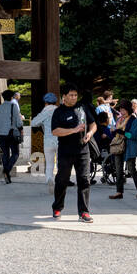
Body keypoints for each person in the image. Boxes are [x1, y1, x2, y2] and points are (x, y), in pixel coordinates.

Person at [50, 85, 96, 222]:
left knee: (84, 180)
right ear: (64, 96)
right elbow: (55, 131)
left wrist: (90, 133)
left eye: (75, 95)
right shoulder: (58, 112)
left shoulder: (82, 108)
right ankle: (57, 207)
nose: (74, 97)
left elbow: (94, 124)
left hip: (83, 150)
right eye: (71, 95)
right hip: (65, 151)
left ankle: (84, 212)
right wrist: (74, 130)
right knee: (62, 180)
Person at [109, 98, 137, 199]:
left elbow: (133, 136)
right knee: (118, 170)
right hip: (118, 146)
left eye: (123, 110)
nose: (121, 112)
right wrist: (113, 132)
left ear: (128, 109)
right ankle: (119, 192)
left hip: (129, 147)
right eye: (120, 110)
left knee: (131, 169)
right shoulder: (119, 119)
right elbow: (116, 133)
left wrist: (121, 132)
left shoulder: (134, 120)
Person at [0, 88, 24, 184]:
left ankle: (7, 175)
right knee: (15, 153)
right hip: (11, 133)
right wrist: (21, 129)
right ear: (11, 97)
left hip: (1, 134)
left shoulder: (0, 107)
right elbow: (18, 121)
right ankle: (7, 170)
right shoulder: (13, 106)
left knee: (5, 153)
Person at [29, 92, 60, 189]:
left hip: (48, 141)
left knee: (49, 163)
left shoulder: (44, 112)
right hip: (60, 140)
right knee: (60, 162)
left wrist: (42, 123)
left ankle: (49, 179)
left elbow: (33, 123)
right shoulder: (60, 111)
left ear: (45, 102)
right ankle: (60, 180)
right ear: (55, 102)